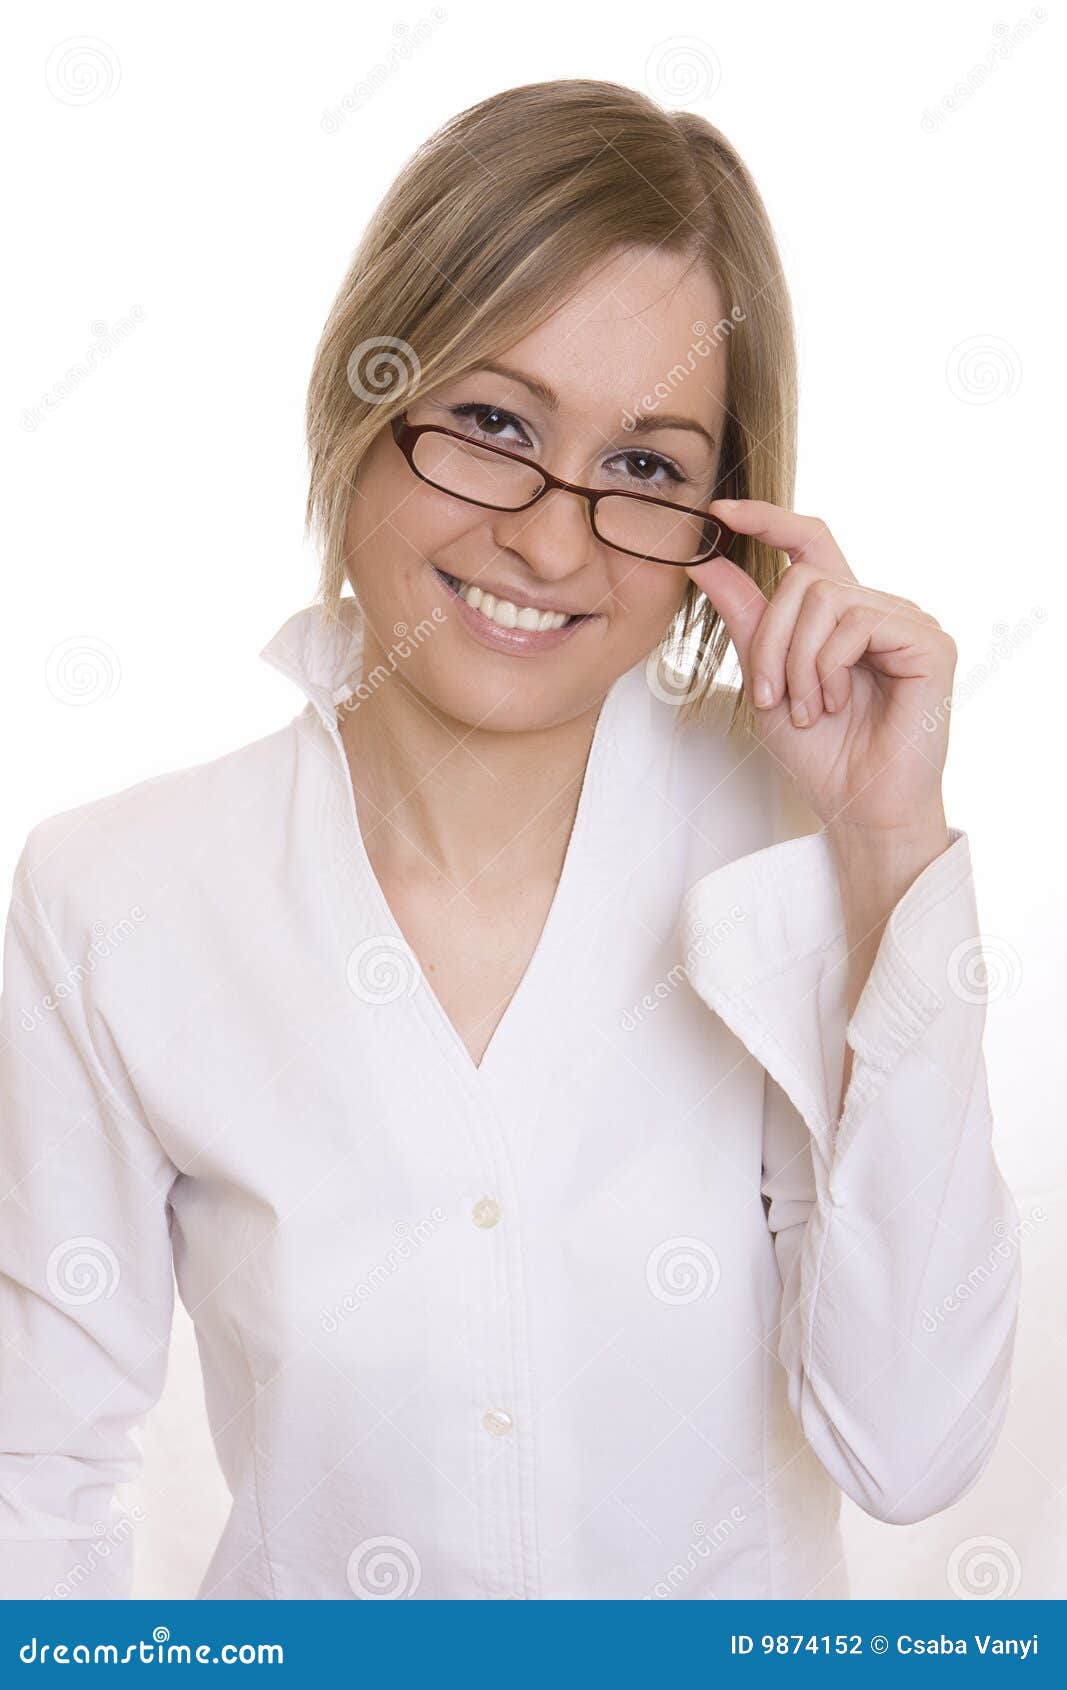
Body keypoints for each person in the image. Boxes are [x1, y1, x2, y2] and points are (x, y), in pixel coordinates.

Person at [0, 79, 1020, 1601]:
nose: (550, 540)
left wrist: (884, 855)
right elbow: (40, 1475)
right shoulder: (116, 897)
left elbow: (911, 1447)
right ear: (362, 397)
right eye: (492, 423)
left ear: (720, 531)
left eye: (648, 468)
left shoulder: (794, 856)